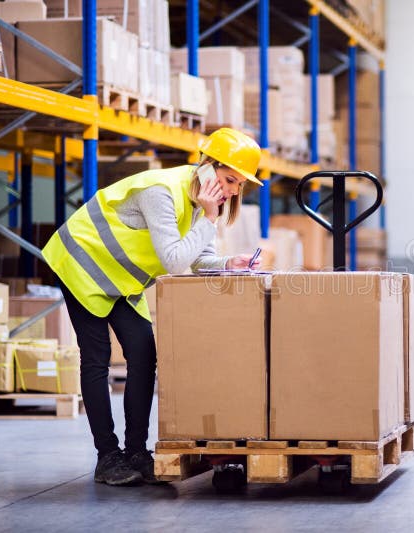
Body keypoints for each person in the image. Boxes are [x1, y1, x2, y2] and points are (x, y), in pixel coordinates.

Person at [42, 128, 263, 485]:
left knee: (144, 353)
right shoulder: (161, 191)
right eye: (229, 180)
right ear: (207, 167)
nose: (234, 191)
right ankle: (108, 457)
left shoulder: (199, 202)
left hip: (120, 280)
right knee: (96, 357)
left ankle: (137, 453)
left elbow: (196, 258)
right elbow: (175, 261)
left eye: (239, 185)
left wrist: (227, 263)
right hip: (82, 262)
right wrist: (208, 218)